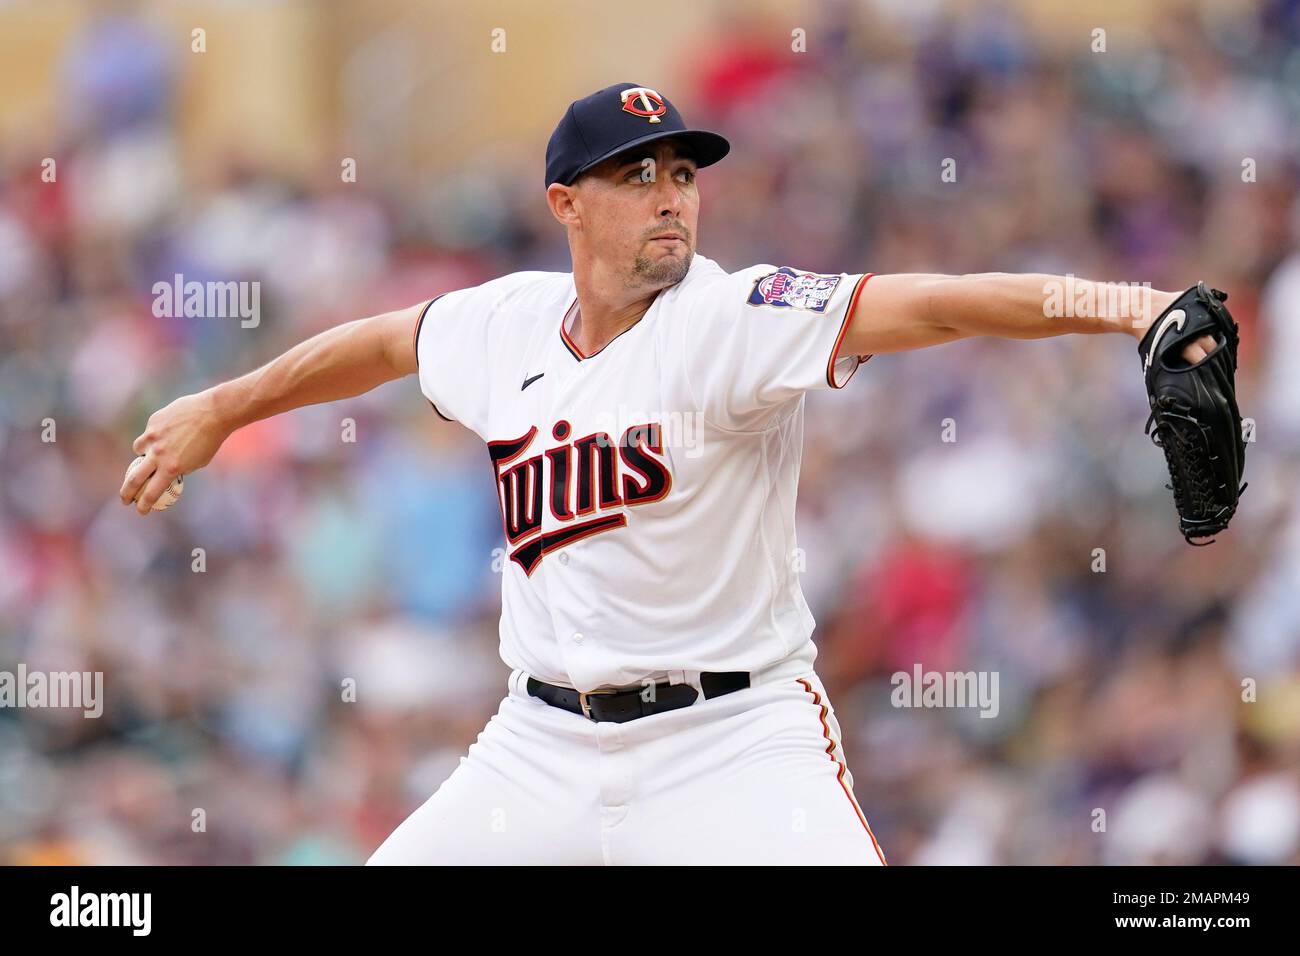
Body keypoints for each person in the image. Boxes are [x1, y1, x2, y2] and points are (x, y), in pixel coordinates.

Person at [122, 82, 1217, 865]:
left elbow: (929, 300)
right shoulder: (504, 324)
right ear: (565, 203)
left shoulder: (731, 317)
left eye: (682, 173)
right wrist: (222, 405)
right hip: (540, 740)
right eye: (635, 174)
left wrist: (1126, 307)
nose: (670, 195)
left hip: (730, 739)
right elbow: (383, 341)